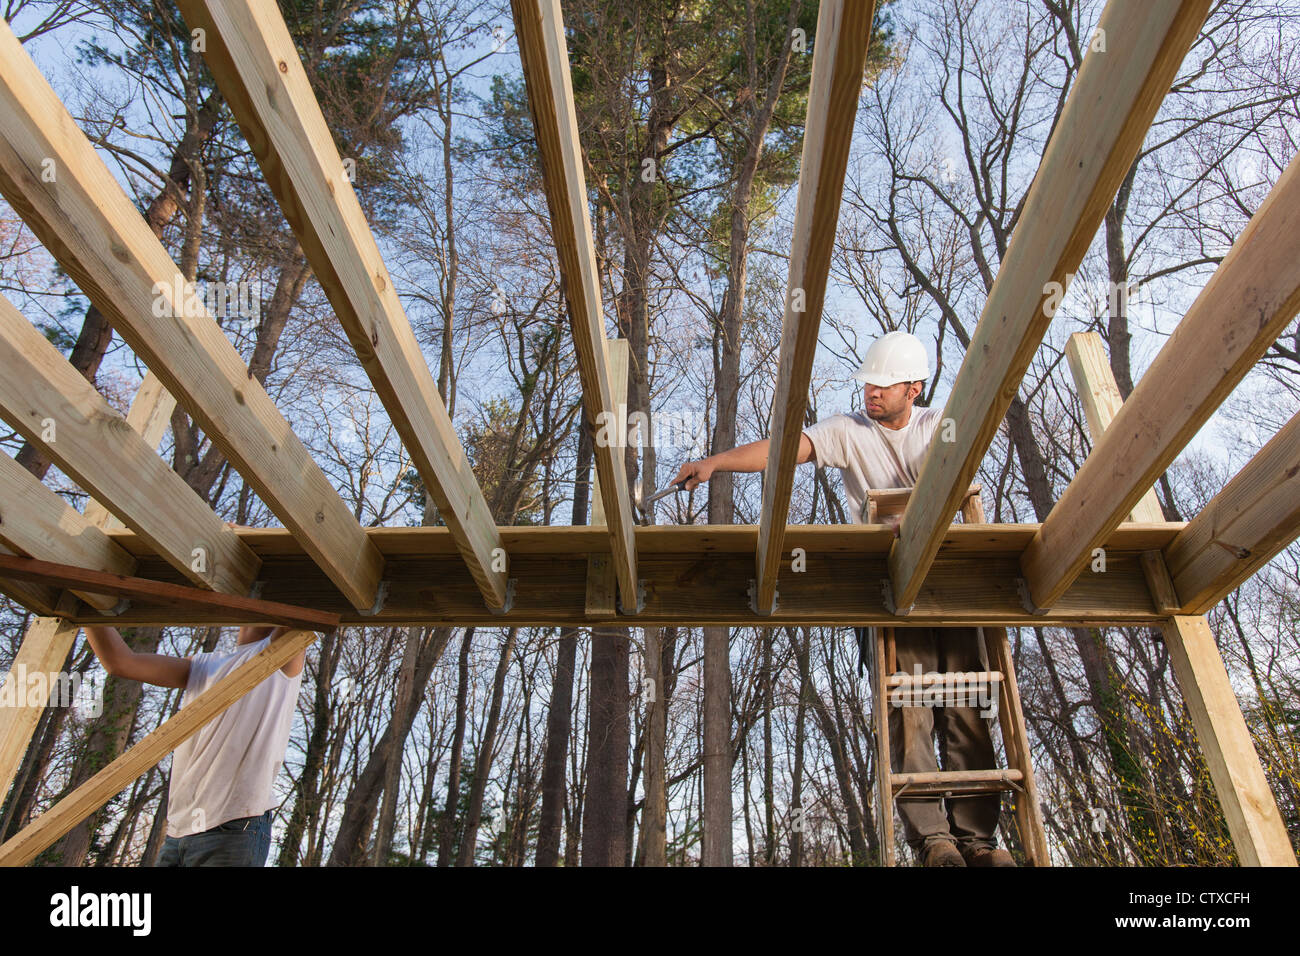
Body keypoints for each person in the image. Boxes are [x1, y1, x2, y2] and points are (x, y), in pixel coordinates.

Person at [672, 330, 1014, 867]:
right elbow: (788, 450)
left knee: (968, 706)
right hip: (891, 589)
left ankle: (979, 843)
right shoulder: (848, 431)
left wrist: (926, 515)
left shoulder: (938, 428)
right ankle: (936, 843)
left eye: (883, 385)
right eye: (867, 384)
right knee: (910, 709)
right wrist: (716, 462)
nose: (871, 392)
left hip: (951, 584)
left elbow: (962, 467)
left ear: (914, 388)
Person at [82, 621, 305, 867]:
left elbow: (302, 611)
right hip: (179, 831)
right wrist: (87, 599)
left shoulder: (285, 652)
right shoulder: (203, 664)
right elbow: (120, 661)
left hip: (235, 825)